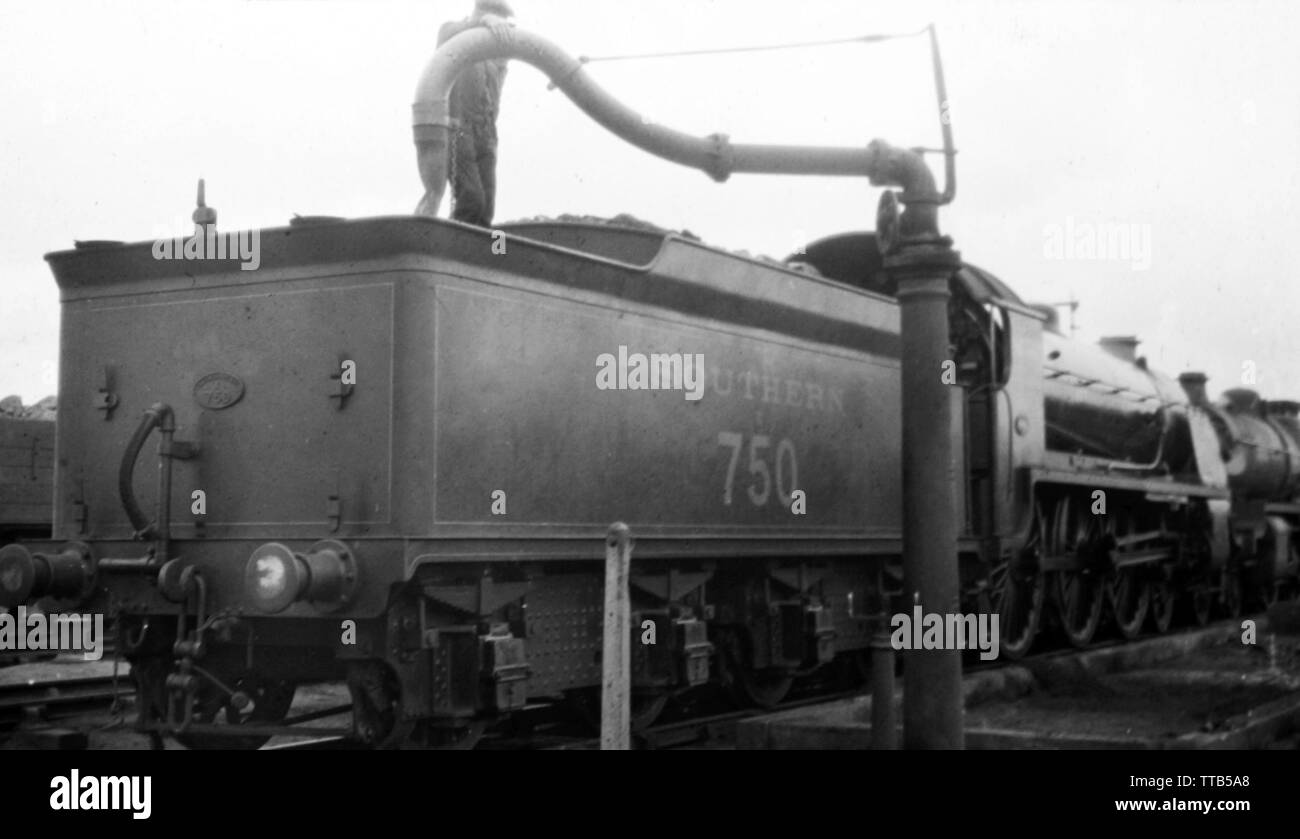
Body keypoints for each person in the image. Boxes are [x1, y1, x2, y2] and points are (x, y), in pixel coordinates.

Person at [437, 0, 516, 226]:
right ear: (481, 12)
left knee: (488, 209)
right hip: (459, 130)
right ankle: (454, 251)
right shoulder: (453, 34)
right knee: (472, 200)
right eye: (496, 18)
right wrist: (481, 22)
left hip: (487, 134)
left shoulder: (497, 59)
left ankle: (497, 254)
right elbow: (448, 34)